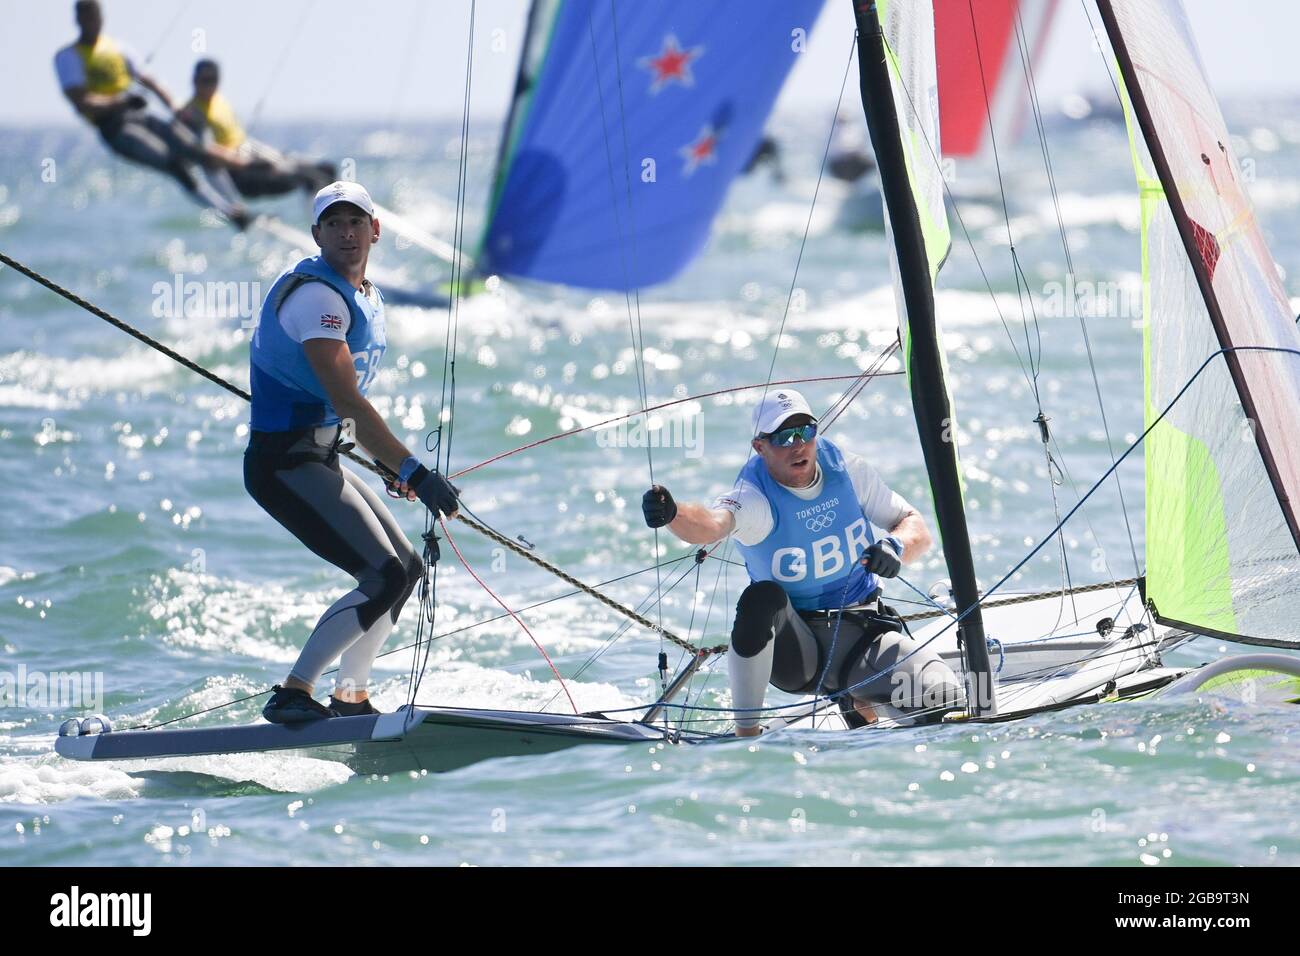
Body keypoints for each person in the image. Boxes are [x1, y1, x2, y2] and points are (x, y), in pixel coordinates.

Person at [245, 181, 460, 723]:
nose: (346, 232)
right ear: (316, 234)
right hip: (283, 464)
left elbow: (344, 409)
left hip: (322, 456)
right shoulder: (318, 299)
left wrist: (392, 465)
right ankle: (294, 692)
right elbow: (346, 397)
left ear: (375, 230)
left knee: (407, 569)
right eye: (333, 223)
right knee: (382, 574)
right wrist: (411, 469)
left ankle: (352, 695)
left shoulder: (363, 292)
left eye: (356, 222)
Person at [641, 389, 961, 735]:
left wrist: (895, 546)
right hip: (797, 652)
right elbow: (710, 525)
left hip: (863, 634)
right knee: (762, 598)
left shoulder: (848, 471)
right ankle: (746, 734)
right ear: (759, 447)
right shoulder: (754, 498)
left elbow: (916, 526)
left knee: (947, 701)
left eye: (806, 431)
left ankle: (860, 698)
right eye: (783, 436)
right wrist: (672, 513)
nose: (798, 444)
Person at [53, 0, 252, 227]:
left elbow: (152, 82)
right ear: (78, 20)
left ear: (102, 17)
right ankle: (229, 213)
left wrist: (175, 108)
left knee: (197, 150)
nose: (92, 21)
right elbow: (82, 102)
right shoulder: (69, 56)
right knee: (174, 163)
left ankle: (239, 206)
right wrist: (120, 101)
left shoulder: (118, 48)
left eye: (95, 15)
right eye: (87, 17)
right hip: (116, 128)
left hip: (143, 115)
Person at [176, 59, 337, 199]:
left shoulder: (218, 99)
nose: (209, 86)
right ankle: (324, 223)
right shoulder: (191, 112)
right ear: (194, 80)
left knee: (322, 170)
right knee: (302, 178)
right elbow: (205, 154)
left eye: (213, 80)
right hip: (236, 168)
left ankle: (345, 209)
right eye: (204, 80)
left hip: (249, 148)